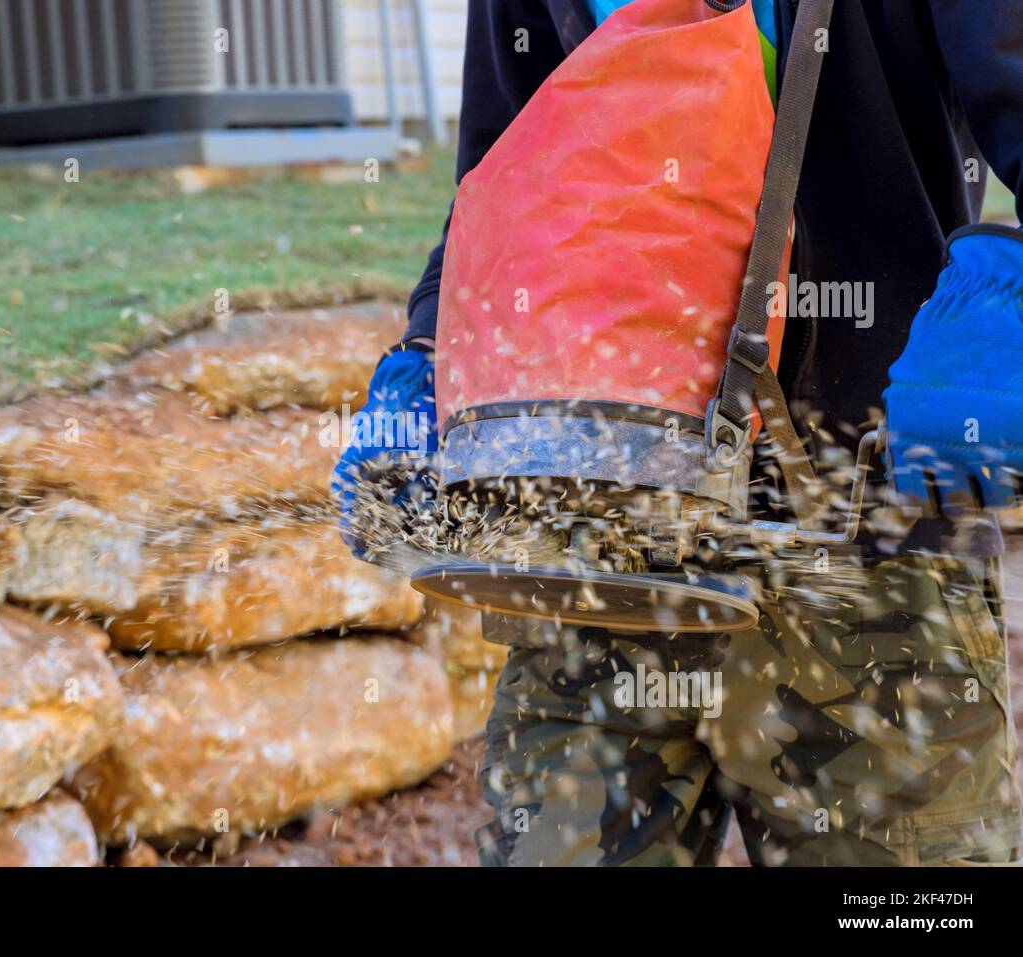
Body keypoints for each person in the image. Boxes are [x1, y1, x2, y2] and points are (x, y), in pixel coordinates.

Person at [333, 0, 1023, 866]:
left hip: (870, 565)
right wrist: (428, 351)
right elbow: (504, 174)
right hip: (592, 550)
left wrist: (1009, 296)